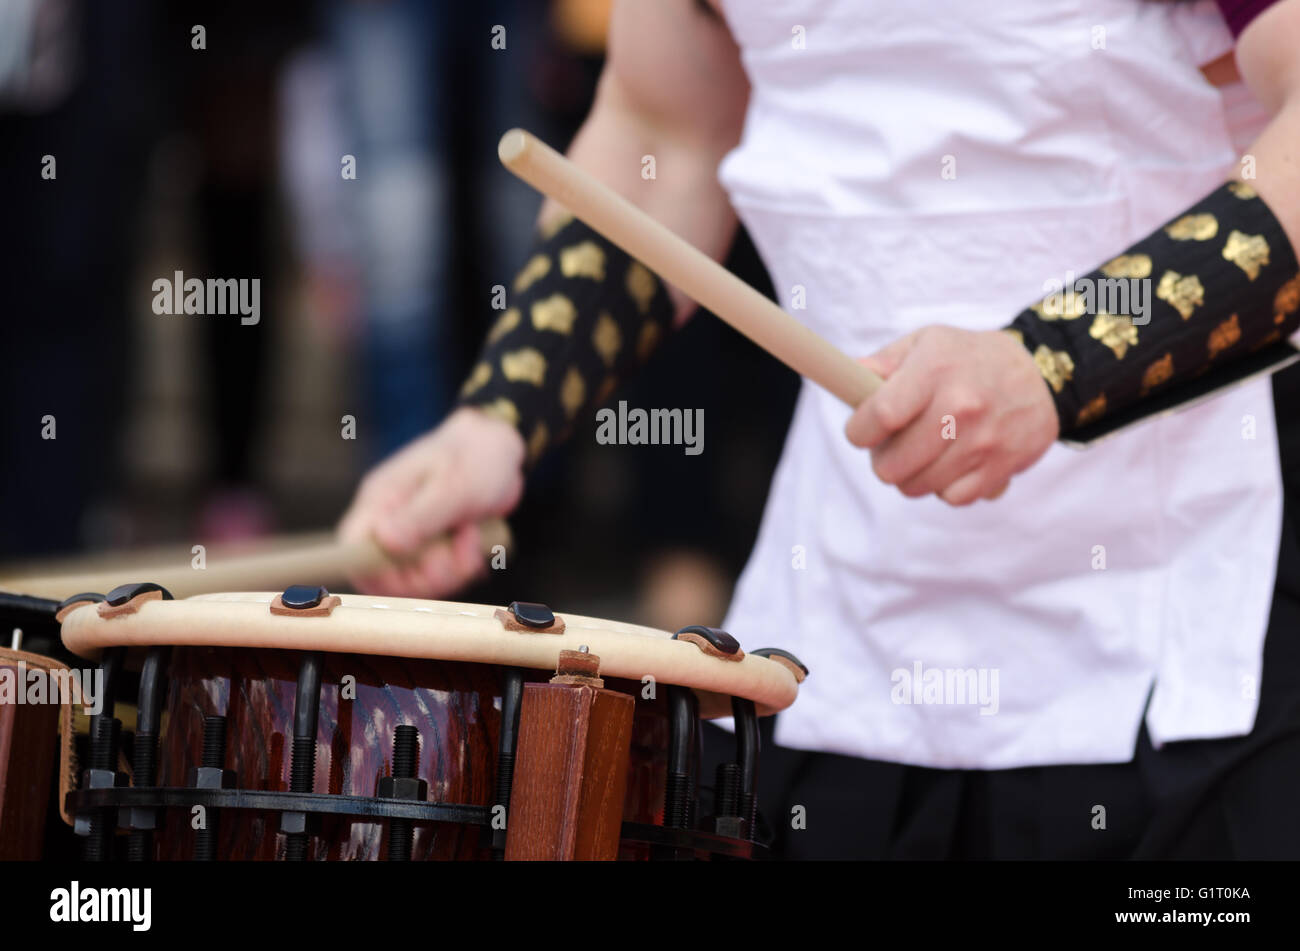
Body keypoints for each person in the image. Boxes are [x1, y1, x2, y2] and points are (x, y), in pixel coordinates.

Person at [340, 0, 1300, 858]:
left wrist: (1047, 361)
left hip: (1201, 591)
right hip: (847, 620)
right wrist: (498, 419)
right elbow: (665, 133)